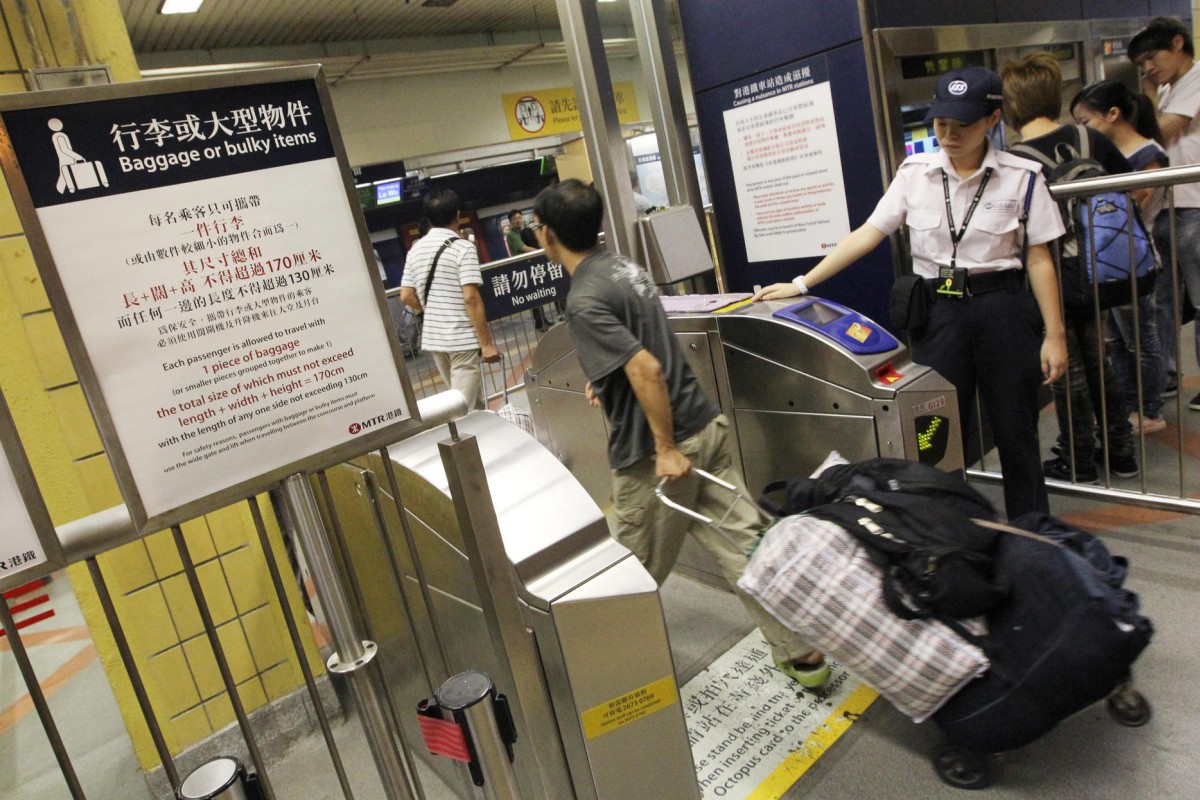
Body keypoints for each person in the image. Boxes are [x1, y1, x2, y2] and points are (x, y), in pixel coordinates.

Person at [531, 179, 830, 688]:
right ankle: (803, 656)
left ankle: (604, 677)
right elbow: (638, 349)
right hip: (705, 427)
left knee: (629, 571)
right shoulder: (625, 268)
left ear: (546, 235)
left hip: (658, 457)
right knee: (744, 549)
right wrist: (605, 380)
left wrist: (665, 450)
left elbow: (646, 368)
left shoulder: (583, 298)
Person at [755, 67, 1067, 520]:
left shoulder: (1024, 177)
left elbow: (1039, 259)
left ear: (993, 119)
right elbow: (868, 233)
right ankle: (942, 523)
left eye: (964, 125)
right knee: (934, 429)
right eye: (942, 124)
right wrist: (803, 283)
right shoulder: (915, 173)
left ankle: (1031, 529)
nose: (950, 134)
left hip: (1002, 311)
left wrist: (1054, 335)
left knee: (1016, 427)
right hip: (938, 314)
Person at [1001, 53, 1138, 484]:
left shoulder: (1013, 160)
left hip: (1051, 275)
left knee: (1066, 368)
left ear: (1008, 107)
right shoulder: (1089, 139)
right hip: (1098, 269)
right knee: (1101, 361)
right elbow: (1128, 187)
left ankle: (1078, 459)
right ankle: (1121, 453)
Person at [1071, 79, 1169, 435]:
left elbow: (1134, 200)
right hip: (1108, 262)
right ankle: (1128, 403)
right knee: (1115, 340)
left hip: (1134, 261)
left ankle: (1149, 408)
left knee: (1141, 338)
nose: (1083, 131)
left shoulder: (1148, 155)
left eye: (1086, 121)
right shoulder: (1106, 157)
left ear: (1113, 114)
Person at [1130, 16, 1200, 411]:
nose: (1148, 69)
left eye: (1152, 58)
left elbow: (1161, 132)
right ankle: (1168, 372)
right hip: (1167, 207)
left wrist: (1146, 95)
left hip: (1194, 205)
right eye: (1141, 64)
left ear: (1178, 43)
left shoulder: (1197, 79)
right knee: (1164, 301)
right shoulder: (1172, 88)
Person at [400, 187, 500, 409]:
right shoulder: (462, 248)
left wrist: (433, 310)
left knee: (472, 403)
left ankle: (482, 440)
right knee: (461, 407)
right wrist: (487, 344)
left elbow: (406, 295)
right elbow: (471, 298)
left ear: (428, 218)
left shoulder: (415, 251)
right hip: (461, 338)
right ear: (457, 214)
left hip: (434, 338)